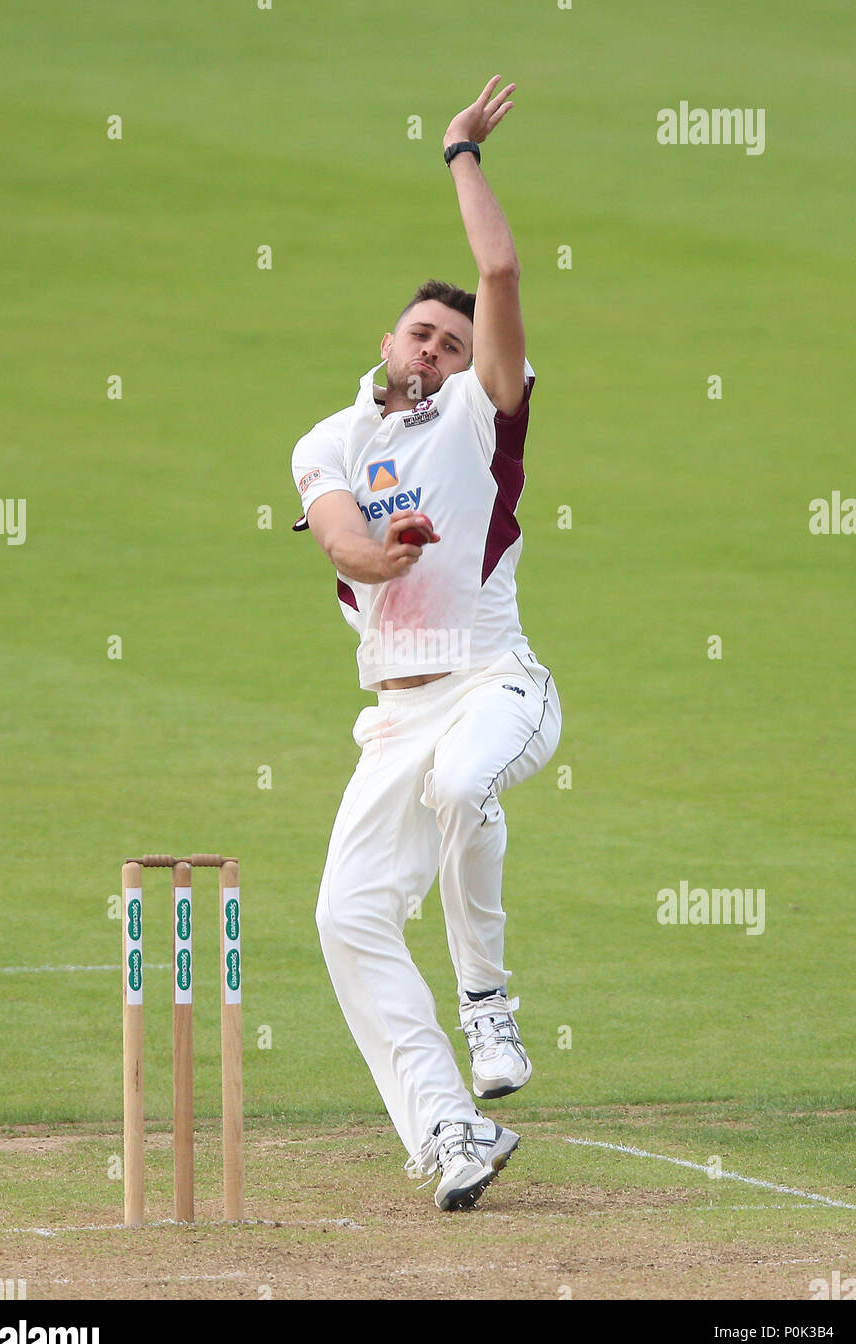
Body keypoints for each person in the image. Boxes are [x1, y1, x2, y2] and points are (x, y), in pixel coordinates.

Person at [290, 77, 561, 1211]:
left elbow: (497, 273)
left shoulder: (481, 415)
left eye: (453, 342)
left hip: (497, 682)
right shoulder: (334, 436)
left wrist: (460, 152)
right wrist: (376, 557)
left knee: (465, 781)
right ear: (387, 338)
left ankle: (488, 1000)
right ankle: (450, 1128)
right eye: (423, 333)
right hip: (394, 714)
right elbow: (340, 538)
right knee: (343, 914)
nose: (439, 351)